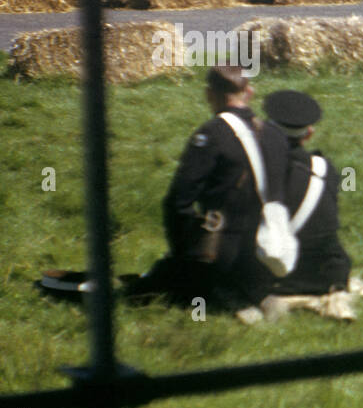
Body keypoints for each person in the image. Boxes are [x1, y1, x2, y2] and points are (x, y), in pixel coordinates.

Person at [124, 67, 291, 318]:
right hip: (270, 249)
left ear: (209, 94)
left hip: (221, 252)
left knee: (147, 289)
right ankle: (256, 292)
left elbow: (178, 202)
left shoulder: (211, 135)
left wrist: (182, 252)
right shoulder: (276, 134)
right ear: (249, 92)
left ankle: (225, 295)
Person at [262, 90, 351, 298]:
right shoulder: (324, 168)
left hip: (273, 274)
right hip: (327, 276)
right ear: (308, 134)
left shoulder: (253, 168)